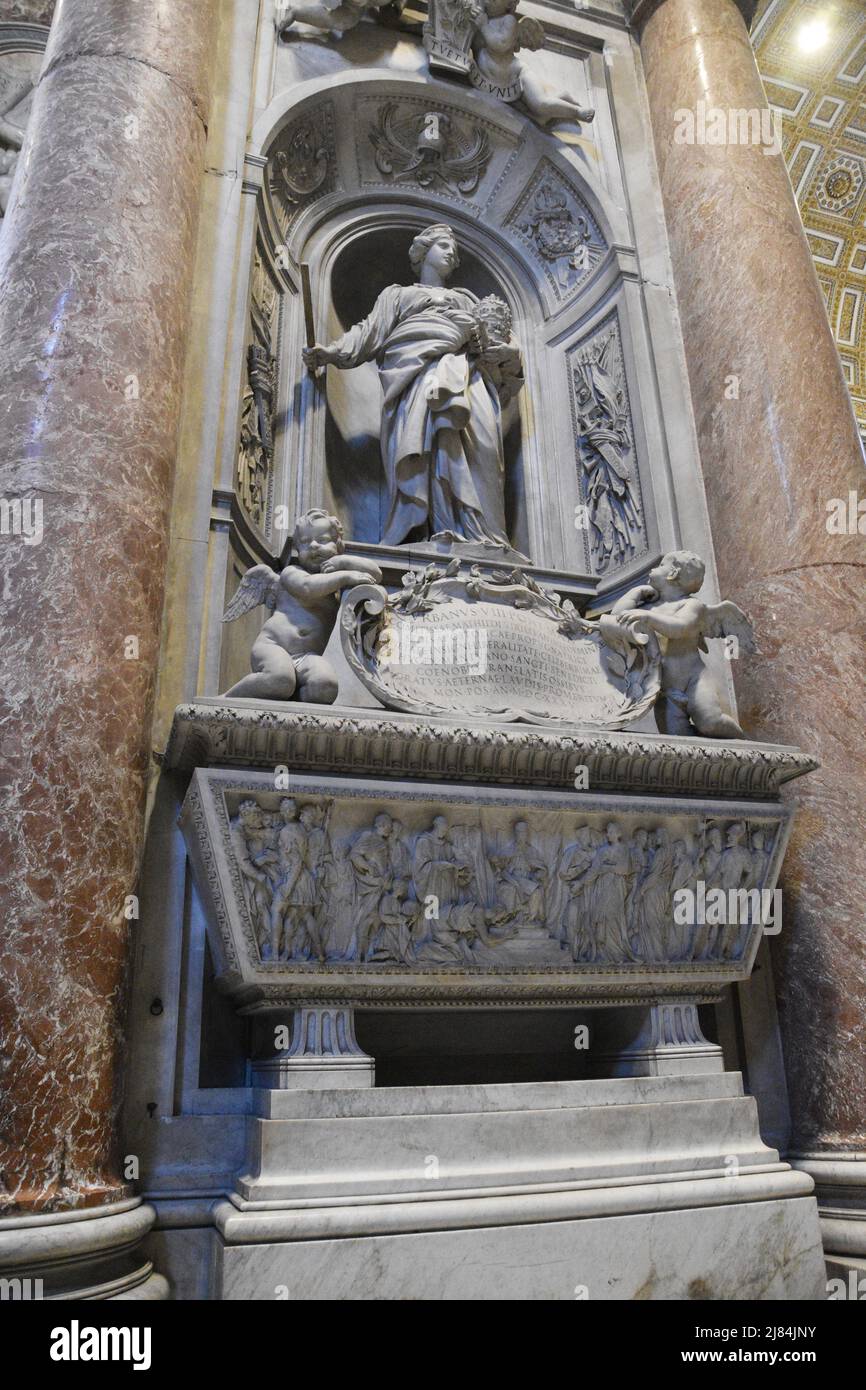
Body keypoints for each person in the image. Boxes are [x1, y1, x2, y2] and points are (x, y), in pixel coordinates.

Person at [303, 224, 523, 548]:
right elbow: (367, 333)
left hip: (467, 377)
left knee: (481, 447)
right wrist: (332, 352)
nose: (451, 253)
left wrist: (511, 353)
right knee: (427, 444)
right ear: (423, 251)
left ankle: (479, 533)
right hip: (416, 378)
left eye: (454, 250)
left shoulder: (465, 299)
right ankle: (429, 530)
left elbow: (497, 337)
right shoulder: (398, 296)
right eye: (444, 245)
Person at [221, 508, 381, 702]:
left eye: (322, 540)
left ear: (338, 545)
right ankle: (228, 698)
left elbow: (376, 573)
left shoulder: (334, 585)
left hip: (306, 656)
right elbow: (307, 588)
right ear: (298, 550)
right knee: (279, 677)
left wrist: (342, 561)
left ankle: (289, 712)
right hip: (273, 646)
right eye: (305, 543)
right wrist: (346, 575)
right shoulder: (291, 573)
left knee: (325, 685)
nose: (313, 546)